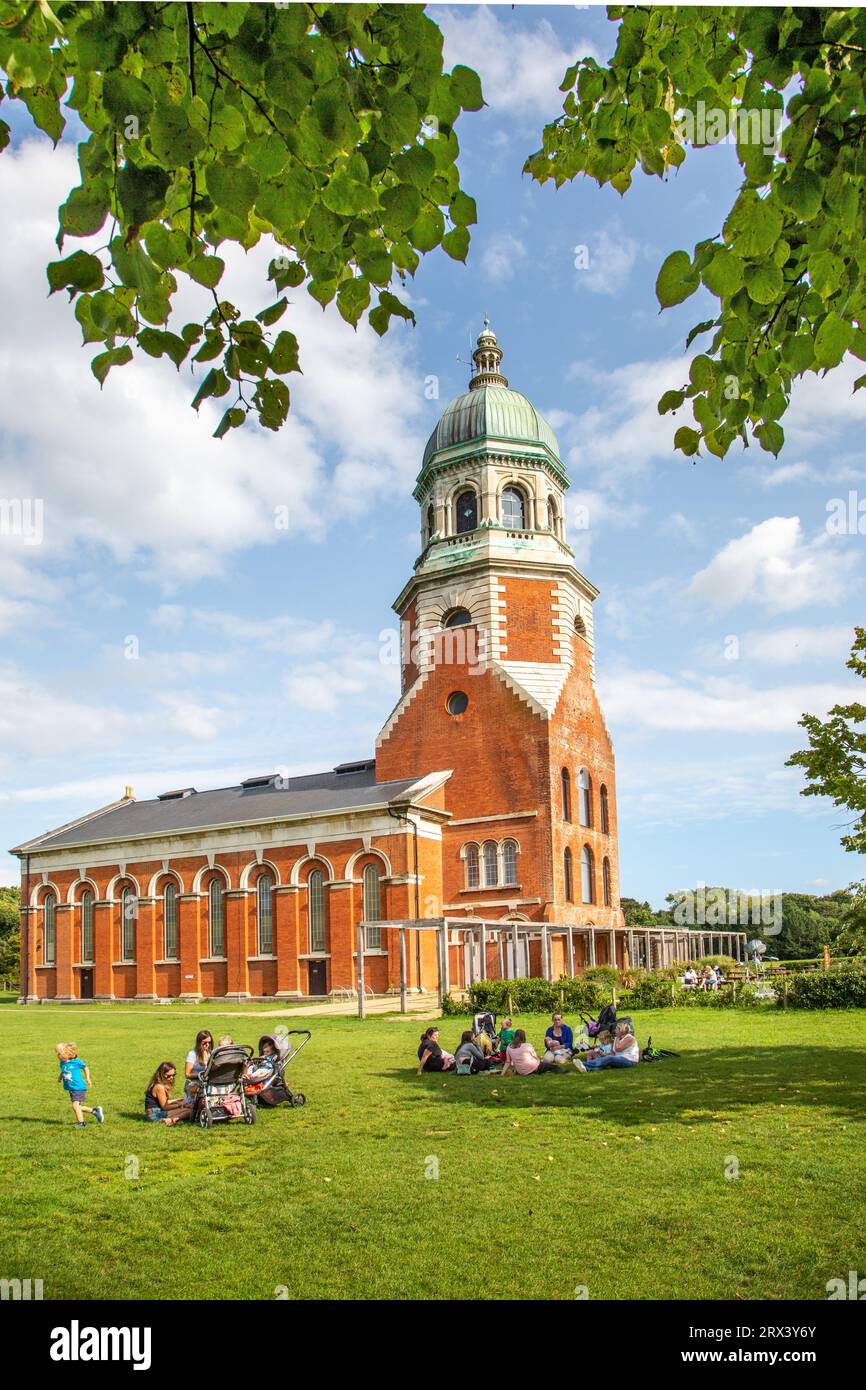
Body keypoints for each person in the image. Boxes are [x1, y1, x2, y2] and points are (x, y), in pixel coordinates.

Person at [55, 1043, 105, 1128]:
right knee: (77, 1107)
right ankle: (95, 1111)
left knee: (75, 1106)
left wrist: (88, 1078)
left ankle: (81, 1124)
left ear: (68, 1054)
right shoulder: (62, 1063)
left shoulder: (76, 1062)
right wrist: (60, 1077)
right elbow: (64, 1070)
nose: (58, 1056)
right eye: (57, 1053)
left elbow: (85, 1068)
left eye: (60, 1054)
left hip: (79, 1087)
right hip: (72, 1088)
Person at [575, 1022, 640, 1071]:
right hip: (619, 1059)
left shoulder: (630, 1038)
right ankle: (586, 1068)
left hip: (630, 1060)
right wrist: (603, 1054)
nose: (615, 1031)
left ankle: (583, 1064)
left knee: (609, 1059)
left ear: (621, 1030)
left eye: (616, 1029)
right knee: (607, 1062)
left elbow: (618, 1048)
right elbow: (613, 1053)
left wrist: (617, 1037)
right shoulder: (617, 1039)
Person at [184, 1029, 213, 1105]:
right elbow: (187, 1074)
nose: (207, 1045)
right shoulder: (192, 1054)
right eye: (204, 1043)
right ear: (199, 1042)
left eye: (209, 1042)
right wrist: (203, 1074)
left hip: (207, 1083)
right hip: (194, 1084)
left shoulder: (211, 1053)